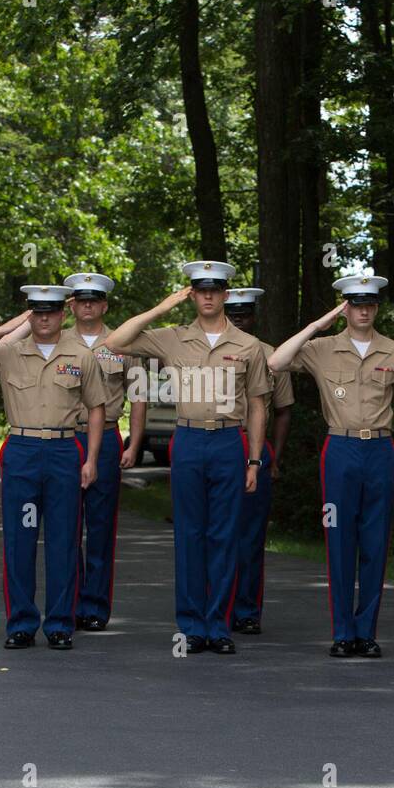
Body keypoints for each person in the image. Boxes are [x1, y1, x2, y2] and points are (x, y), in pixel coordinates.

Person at [105, 261, 270, 656]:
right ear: (193, 295)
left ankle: (219, 624)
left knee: (224, 537)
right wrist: (162, 307)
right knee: (190, 535)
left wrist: (254, 460)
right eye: (201, 290)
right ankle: (192, 625)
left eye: (215, 289)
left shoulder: (248, 346)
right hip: (189, 440)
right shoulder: (173, 338)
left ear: (226, 295)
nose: (209, 295)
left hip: (230, 442)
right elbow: (116, 342)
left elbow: (259, 406)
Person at [0, 285, 107, 650]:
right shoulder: (8, 352)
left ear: (62, 314)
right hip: (21, 451)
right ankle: (20, 623)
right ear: (29, 314)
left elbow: (97, 407)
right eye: (36, 312)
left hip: (63, 450)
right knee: (20, 539)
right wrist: (5, 329)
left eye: (50, 312)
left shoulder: (80, 356)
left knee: (62, 540)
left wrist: (92, 459)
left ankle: (59, 624)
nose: (44, 319)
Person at [269, 275, 394, 658]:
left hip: (381, 451)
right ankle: (342, 632)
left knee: (375, 543)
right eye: (356, 304)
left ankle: (366, 632)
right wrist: (318, 324)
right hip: (340, 450)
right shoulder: (322, 348)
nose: (364, 310)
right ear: (345, 307)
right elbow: (276, 361)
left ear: (377, 308)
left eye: (370, 304)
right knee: (338, 541)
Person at [222, 287, 293, 635]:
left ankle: (247, 610)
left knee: (250, 536)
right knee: (217, 533)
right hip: (220, 442)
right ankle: (216, 607)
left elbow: (282, 411)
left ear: (254, 317)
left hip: (255, 448)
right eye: (232, 313)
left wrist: (273, 456)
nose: (238, 319)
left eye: (244, 314)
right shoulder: (209, 349)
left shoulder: (272, 356)